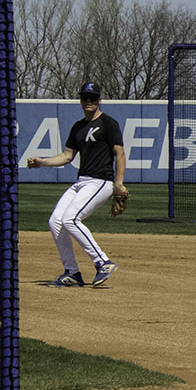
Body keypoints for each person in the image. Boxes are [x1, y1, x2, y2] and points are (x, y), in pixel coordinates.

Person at [26, 82, 126, 287]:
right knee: (56, 221)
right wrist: (42, 162)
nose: (88, 101)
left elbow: (120, 153)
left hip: (100, 181)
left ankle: (103, 262)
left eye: (92, 97)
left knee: (71, 218)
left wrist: (119, 184)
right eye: (84, 97)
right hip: (81, 182)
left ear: (99, 100)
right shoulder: (78, 127)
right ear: (80, 100)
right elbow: (67, 156)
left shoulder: (109, 123)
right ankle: (72, 272)